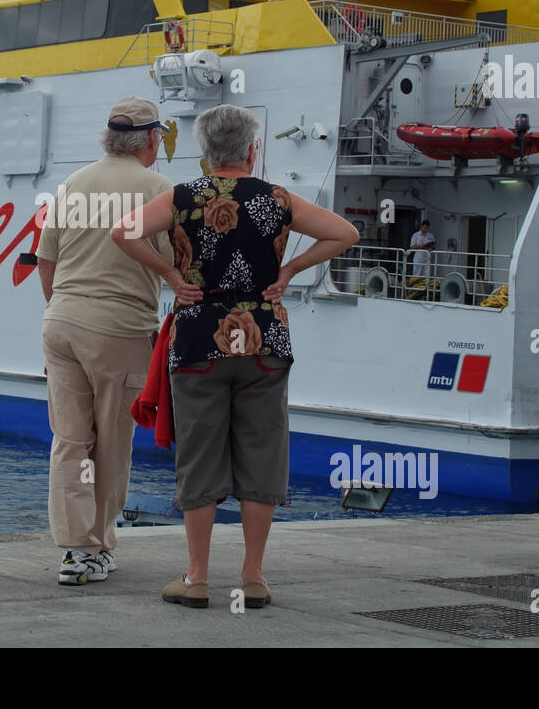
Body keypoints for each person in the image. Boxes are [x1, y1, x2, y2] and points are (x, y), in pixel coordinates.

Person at [111, 104, 358, 608]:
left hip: (199, 336)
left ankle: (197, 577)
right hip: (264, 338)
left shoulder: (183, 197)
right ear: (252, 150)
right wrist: (288, 273)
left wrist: (171, 276)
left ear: (205, 155)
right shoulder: (278, 199)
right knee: (262, 451)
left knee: (200, 453)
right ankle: (253, 576)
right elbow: (345, 234)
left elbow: (123, 232)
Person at [36, 96, 174, 586]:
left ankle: (74, 550)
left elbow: (45, 261)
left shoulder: (72, 184)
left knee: (71, 440)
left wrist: (63, 308)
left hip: (62, 323)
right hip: (120, 330)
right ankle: (97, 545)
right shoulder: (159, 189)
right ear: (151, 139)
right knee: (112, 443)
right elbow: (175, 261)